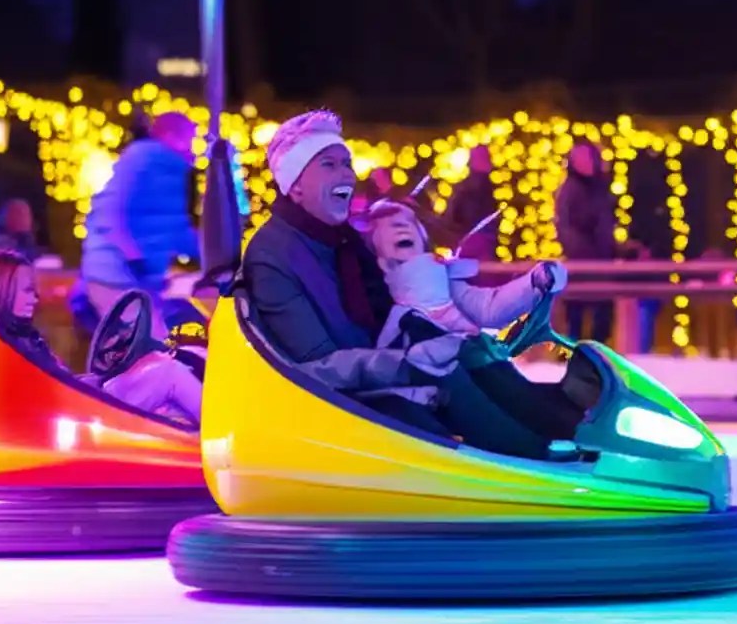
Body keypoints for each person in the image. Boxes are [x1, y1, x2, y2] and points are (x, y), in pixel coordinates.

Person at [241, 109, 571, 460]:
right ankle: (530, 459)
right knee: (444, 372)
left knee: (472, 351)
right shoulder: (273, 256)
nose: (346, 176)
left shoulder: (344, 241)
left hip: (378, 370)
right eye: (329, 165)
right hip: (338, 403)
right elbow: (313, 367)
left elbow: (404, 294)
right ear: (294, 185)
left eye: (347, 164)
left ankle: (566, 433)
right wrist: (406, 362)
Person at [361, 199, 582, 440]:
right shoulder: (389, 304)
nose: (400, 227)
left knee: (541, 404)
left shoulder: (447, 282)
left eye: (407, 222)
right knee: (527, 420)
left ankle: (575, 436)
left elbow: (489, 307)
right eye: (389, 224)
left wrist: (534, 283)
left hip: (479, 359)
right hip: (450, 375)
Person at [0, 250, 203, 426]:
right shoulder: (5, 343)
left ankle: (195, 451)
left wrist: (100, 378)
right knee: (168, 373)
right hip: (71, 422)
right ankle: (228, 440)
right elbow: (45, 394)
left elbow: (53, 385)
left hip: (72, 412)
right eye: (26, 291)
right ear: (2, 291)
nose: (35, 298)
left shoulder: (17, 337)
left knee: (165, 383)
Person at [80, 112, 201, 340]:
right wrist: (133, 256)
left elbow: (173, 228)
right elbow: (111, 211)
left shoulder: (167, 168)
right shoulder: (143, 159)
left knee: (149, 344)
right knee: (148, 345)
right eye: (189, 138)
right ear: (170, 134)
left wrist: (211, 251)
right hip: (115, 276)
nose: (191, 147)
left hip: (130, 278)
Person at [555, 140, 617, 343]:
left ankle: (596, 356)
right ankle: (573, 355)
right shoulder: (570, 190)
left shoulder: (602, 189)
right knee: (577, 314)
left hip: (602, 262)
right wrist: (581, 252)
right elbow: (565, 226)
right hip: (582, 262)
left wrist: (612, 248)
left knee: (602, 316)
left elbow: (606, 222)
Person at [445, 147, 500, 261]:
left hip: (470, 244)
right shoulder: (487, 190)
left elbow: (455, 217)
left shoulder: (466, 189)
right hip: (476, 245)